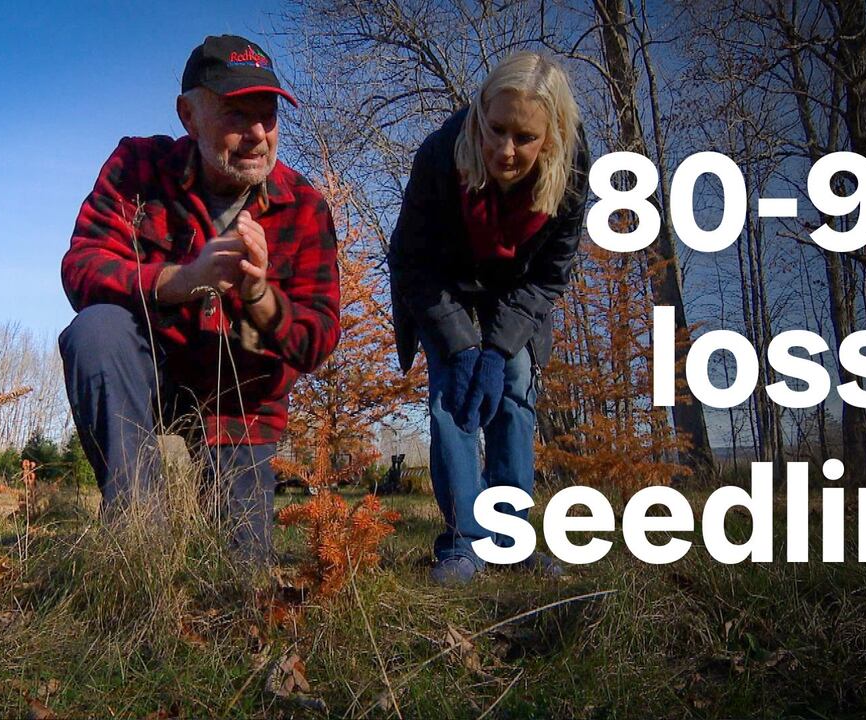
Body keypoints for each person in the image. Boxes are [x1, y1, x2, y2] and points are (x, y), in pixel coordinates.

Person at [59, 34, 340, 565]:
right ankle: (139, 530)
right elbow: (82, 266)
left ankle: (226, 541)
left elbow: (318, 338)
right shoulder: (136, 168)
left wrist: (259, 296)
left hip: (241, 406)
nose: (258, 134)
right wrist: (179, 280)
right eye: (237, 115)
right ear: (188, 114)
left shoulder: (304, 207)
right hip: (151, 375)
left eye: (269, 114)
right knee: (95, 330)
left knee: (241, 569)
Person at [388, 51, 588, 586]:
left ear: (552, 135)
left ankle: (510, 540)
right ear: (479, 115)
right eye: (495, 130)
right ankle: (463, 544)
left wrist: (499, 349)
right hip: (442, 288)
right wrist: (462, 345)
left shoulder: (572, 173)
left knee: (517, 386)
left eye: (524, 138)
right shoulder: (440, 155)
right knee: (453, 395)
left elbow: (549, 275)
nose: (505, 150)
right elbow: (410, 260)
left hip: (514, 295)